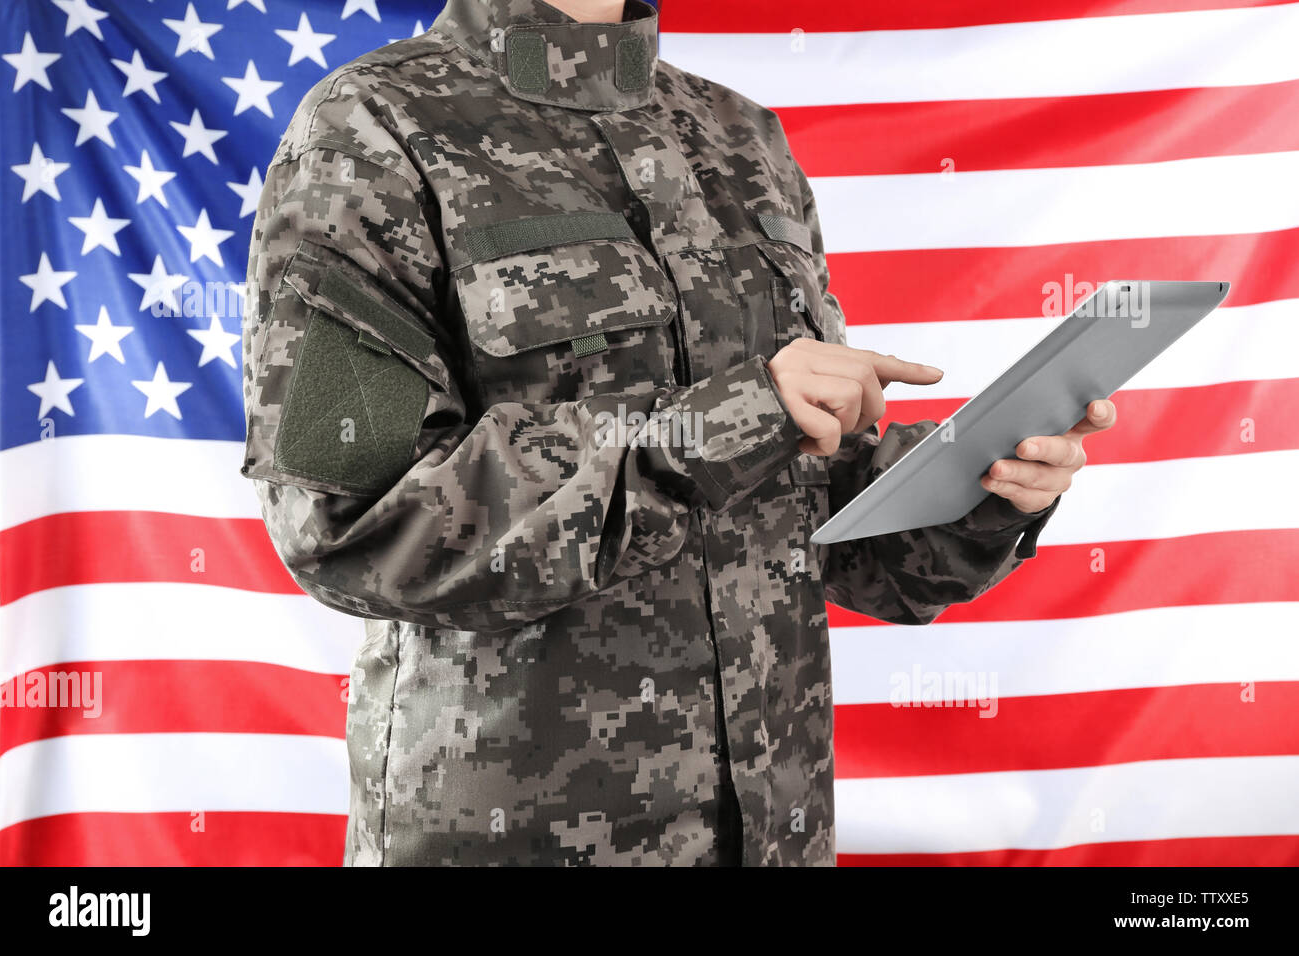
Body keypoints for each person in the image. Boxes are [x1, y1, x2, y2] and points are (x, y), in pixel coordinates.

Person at [241, 0, 1116, 865]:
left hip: (778, 836)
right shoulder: (373, 124)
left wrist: (980, 484)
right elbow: (353, 525)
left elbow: (811, 512)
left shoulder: (741, 136)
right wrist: (720, 426)